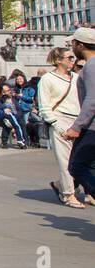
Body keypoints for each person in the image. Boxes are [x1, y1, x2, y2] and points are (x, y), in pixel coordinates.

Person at [38, 45, 82, 207]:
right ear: (58, 60)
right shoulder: (47, 79)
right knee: (66, 161)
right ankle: (69, 194)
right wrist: (55, 124)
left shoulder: (77, 78)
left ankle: (64, 185)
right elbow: (44, 105)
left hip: (79, 120)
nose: (72, 61)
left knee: (83, 159)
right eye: (69, 58)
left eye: (73, 58)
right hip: (60, 119)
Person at [63, 28, 95, 203]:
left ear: (81, 45)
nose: (72, 47)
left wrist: (77, 126)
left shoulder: (91, 65)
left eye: (73, 43)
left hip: (91, 126)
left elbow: (92, 99)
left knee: (77, 166)